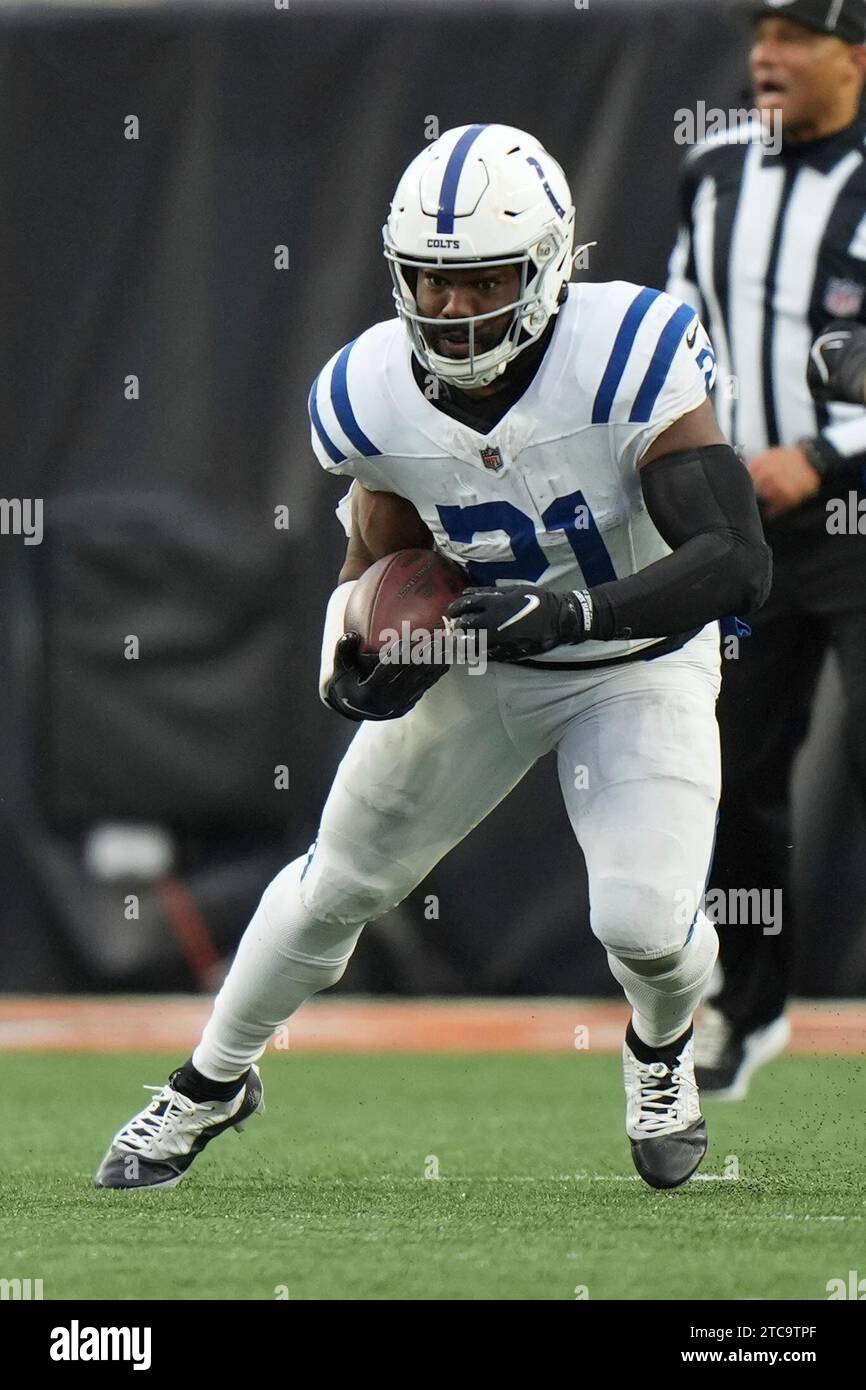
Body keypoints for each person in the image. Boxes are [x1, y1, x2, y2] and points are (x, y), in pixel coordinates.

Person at [94, 123, 769, 1193]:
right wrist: (354, 646)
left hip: (639, 652)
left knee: (641, 924)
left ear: (547, 266)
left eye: (483, 279)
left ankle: (658, 1047)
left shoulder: (629, 350)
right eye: (430, 281)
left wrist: (571, 613)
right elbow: (378, 556)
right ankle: (211, 1078)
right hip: (484, 663)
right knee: (336, 882)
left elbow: (735, 560)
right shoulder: (369, 392)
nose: (453, 309)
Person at [668, 0, 866, 1099]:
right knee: (729, 771)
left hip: (855, 510)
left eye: (794, 36)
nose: (765, 55)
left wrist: (826, 450)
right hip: (743, 520)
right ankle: (744, 1003)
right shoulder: (711, 176)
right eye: (759, 34)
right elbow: (676, 327)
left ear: (854, 59)